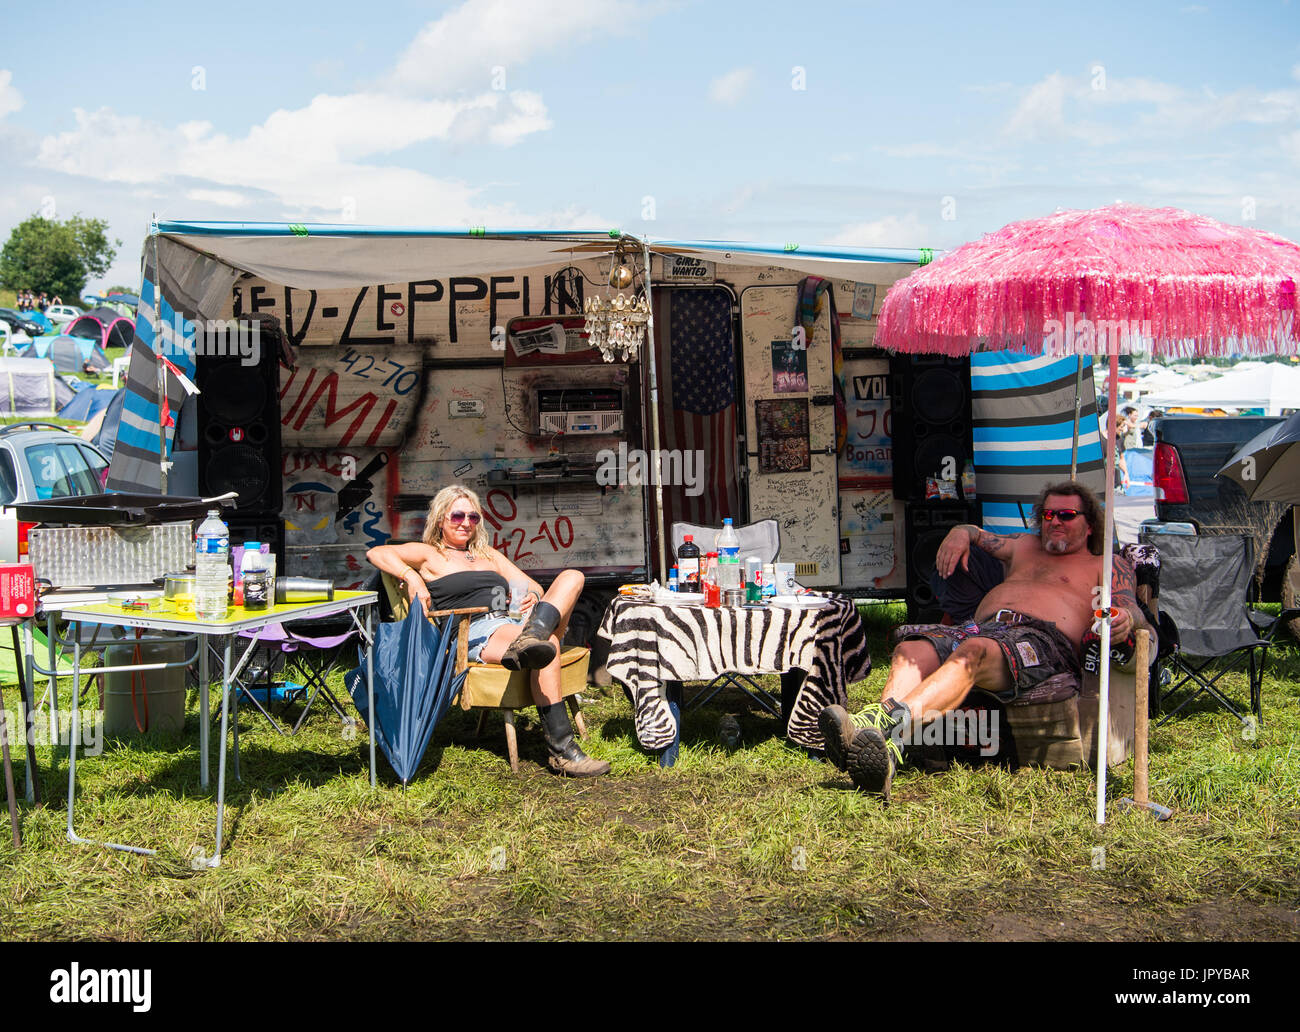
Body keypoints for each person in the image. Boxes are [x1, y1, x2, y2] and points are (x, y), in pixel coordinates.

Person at [820, 481, 1150, 801]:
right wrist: (959, 532)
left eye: (1066, 515)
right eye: (1048, 515)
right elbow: (978, 535)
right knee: (912, 647)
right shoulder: (1024, 545)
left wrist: (1124, 619)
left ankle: (882, 725)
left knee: (974, 653)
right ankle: (886, 749)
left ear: (1089, 524)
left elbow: (1133, 609)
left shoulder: (1104, 564)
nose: (1055, 522)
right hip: (983, 628)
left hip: (1042, 641)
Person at [365, 485, 609, 778]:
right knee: (550, 648)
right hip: (476, 630)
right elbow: (377, 552)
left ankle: (533, 637)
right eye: (457, 516)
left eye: (473, 517)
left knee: (573, 576)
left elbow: (533, 586)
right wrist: (411, 576)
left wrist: (532, 594)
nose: (466, 523)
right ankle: (563, 752)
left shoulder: (488, 555)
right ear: (441, 519)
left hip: (517, 621)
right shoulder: (429, 554)